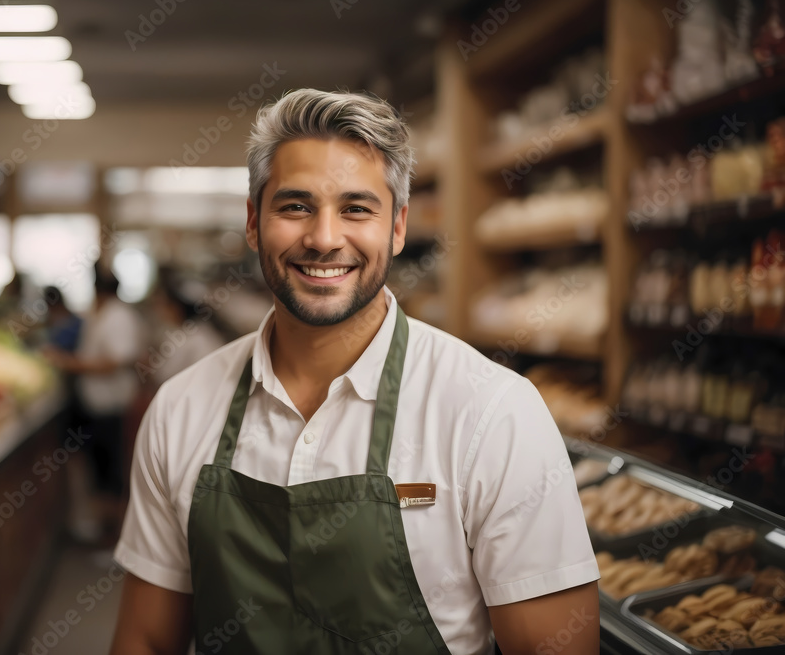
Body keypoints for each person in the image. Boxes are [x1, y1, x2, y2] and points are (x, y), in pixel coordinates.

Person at [110, 89, 600, 655]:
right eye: (295, 207)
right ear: (253, 222)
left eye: (357, 209)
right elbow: (146, 639)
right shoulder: (181, 408)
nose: (324, 239)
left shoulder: (492, 412)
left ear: (398, 227)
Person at [47, 269, 145, 541]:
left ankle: (112, 531)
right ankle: (102, 526)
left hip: (111, 404)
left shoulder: (118, 317)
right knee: (98, 466)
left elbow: (115, 362)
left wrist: (70, 364)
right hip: (96, 404)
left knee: (110, 468)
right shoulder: (102, 314)